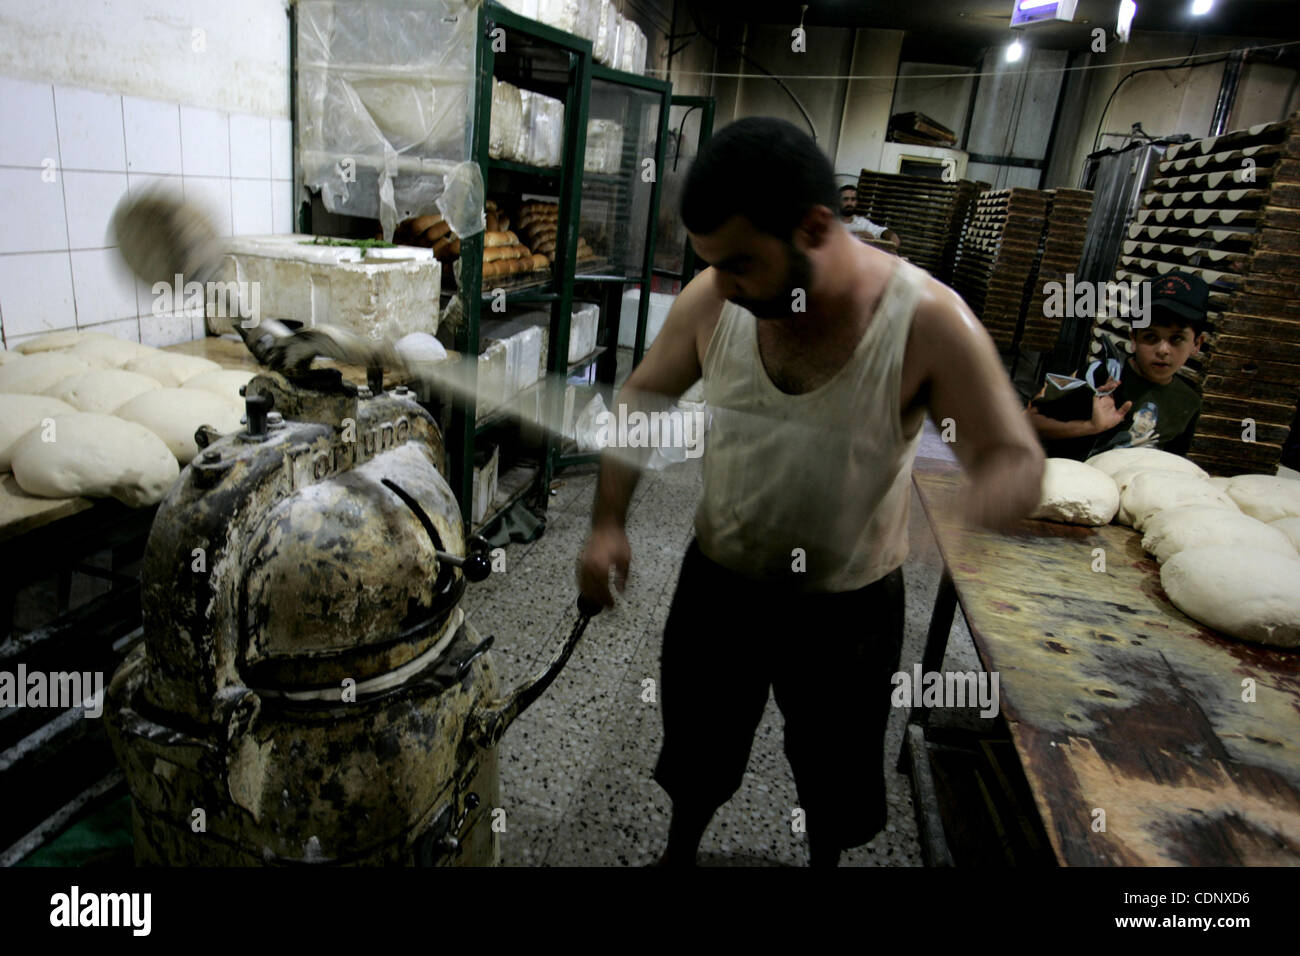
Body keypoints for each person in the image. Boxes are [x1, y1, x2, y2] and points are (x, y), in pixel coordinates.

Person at [576, 117, 1045, 867]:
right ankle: (679, 853)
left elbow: (1014, 459)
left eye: (740, 266)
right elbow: (641, 398)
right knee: (697, 756)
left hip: (847, 609)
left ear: (815, 227)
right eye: (712, 266)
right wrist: (606, 524)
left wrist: (964, 511)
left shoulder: (924, 322)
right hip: (721, 585)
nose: (721, 287)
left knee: (835, 784)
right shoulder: (714, 298)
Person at [1027, 271, 1209, 461]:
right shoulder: (1097, 376)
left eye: (1177, 339)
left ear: (1197, 343)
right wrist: (1090, 427)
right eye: (1150, 337)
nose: (1163, 350)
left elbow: (1172, 463)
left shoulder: (1188, 403)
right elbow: (1029, 422)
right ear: (1134, 338)